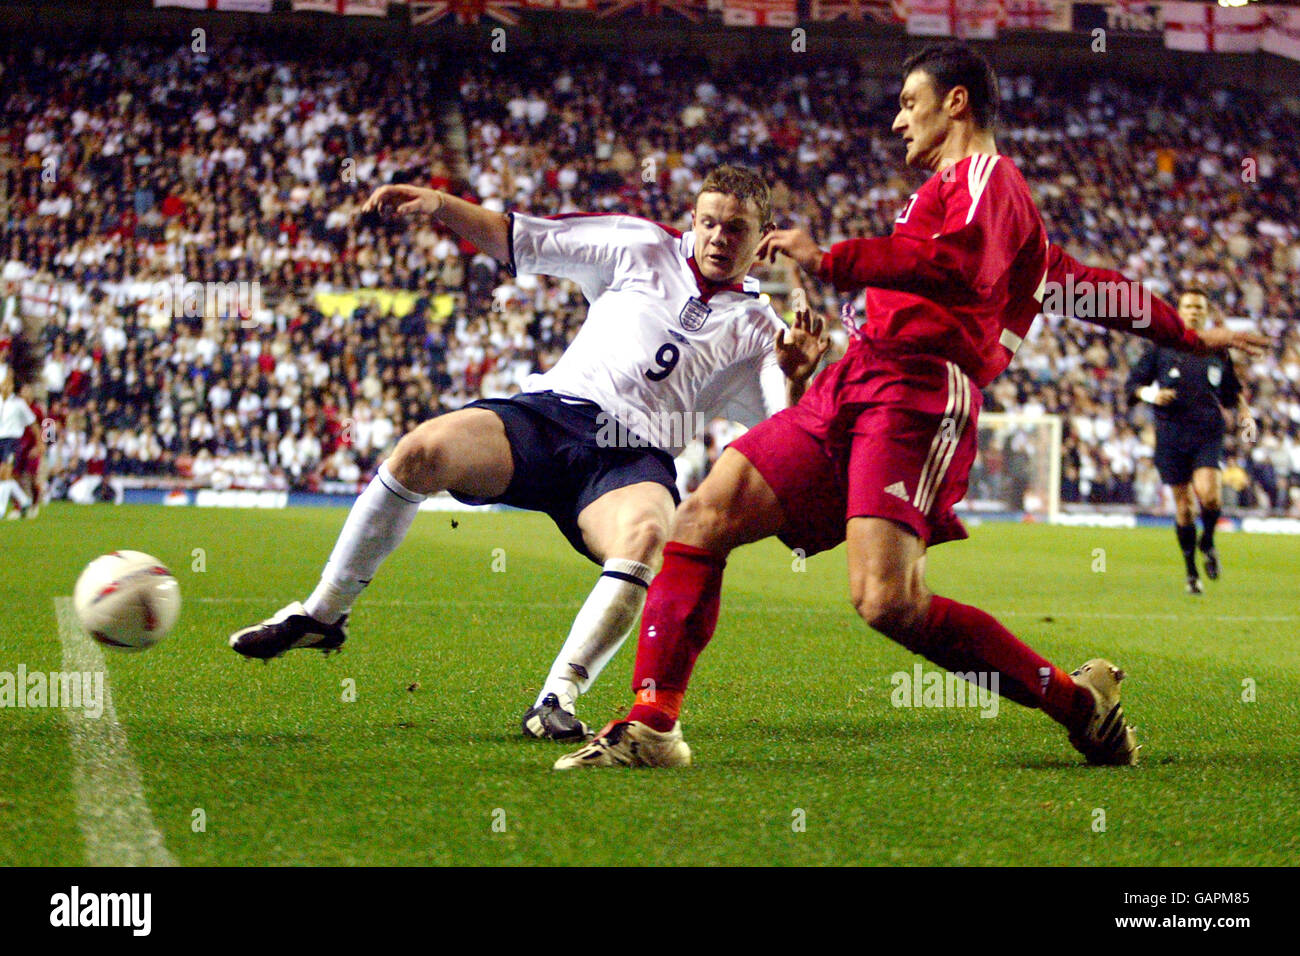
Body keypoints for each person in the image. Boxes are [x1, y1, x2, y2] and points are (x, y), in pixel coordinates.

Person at [554, 43, 1268, 771]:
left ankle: (1080, 706)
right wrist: (1188, 333)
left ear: (955, 102)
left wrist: (834, 259)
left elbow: (957, 268)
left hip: (921, 391)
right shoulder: (960, 200)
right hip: (856, 377)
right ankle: (651, 722)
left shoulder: (990, 180)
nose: (898, 121)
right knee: (702, 518)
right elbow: (1087, 285)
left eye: (908, 102)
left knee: (886, 601)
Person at [228, 166, 829, 743]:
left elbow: (786, 431)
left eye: (737, 228)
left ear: (762, 241)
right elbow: (522, 238)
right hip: (550, 417)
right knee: (420, 452)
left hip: (630, 459)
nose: (719, 237)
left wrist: (798, 374)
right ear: (692, 220)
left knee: (650, 534)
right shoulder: (639, 244)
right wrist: (440, 205)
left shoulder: (761, 329)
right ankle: (324, 614)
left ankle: (557, 698)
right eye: (710, 222)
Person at [1127, 288, 1251, 594]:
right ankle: (1191, 573)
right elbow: (1131, 385)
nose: (1194, 311)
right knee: (1184, 509)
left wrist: (1246, 412)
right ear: (1179, 311)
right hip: (1171, 435)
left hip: (1207, 433)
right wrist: (1153, 394)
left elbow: (1231, 391)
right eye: (1188, 306)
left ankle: (1207, 542)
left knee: (1210, 497)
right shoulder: (1160, 346)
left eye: (1199, 307)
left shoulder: (1217, 350)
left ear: (1207, 313)